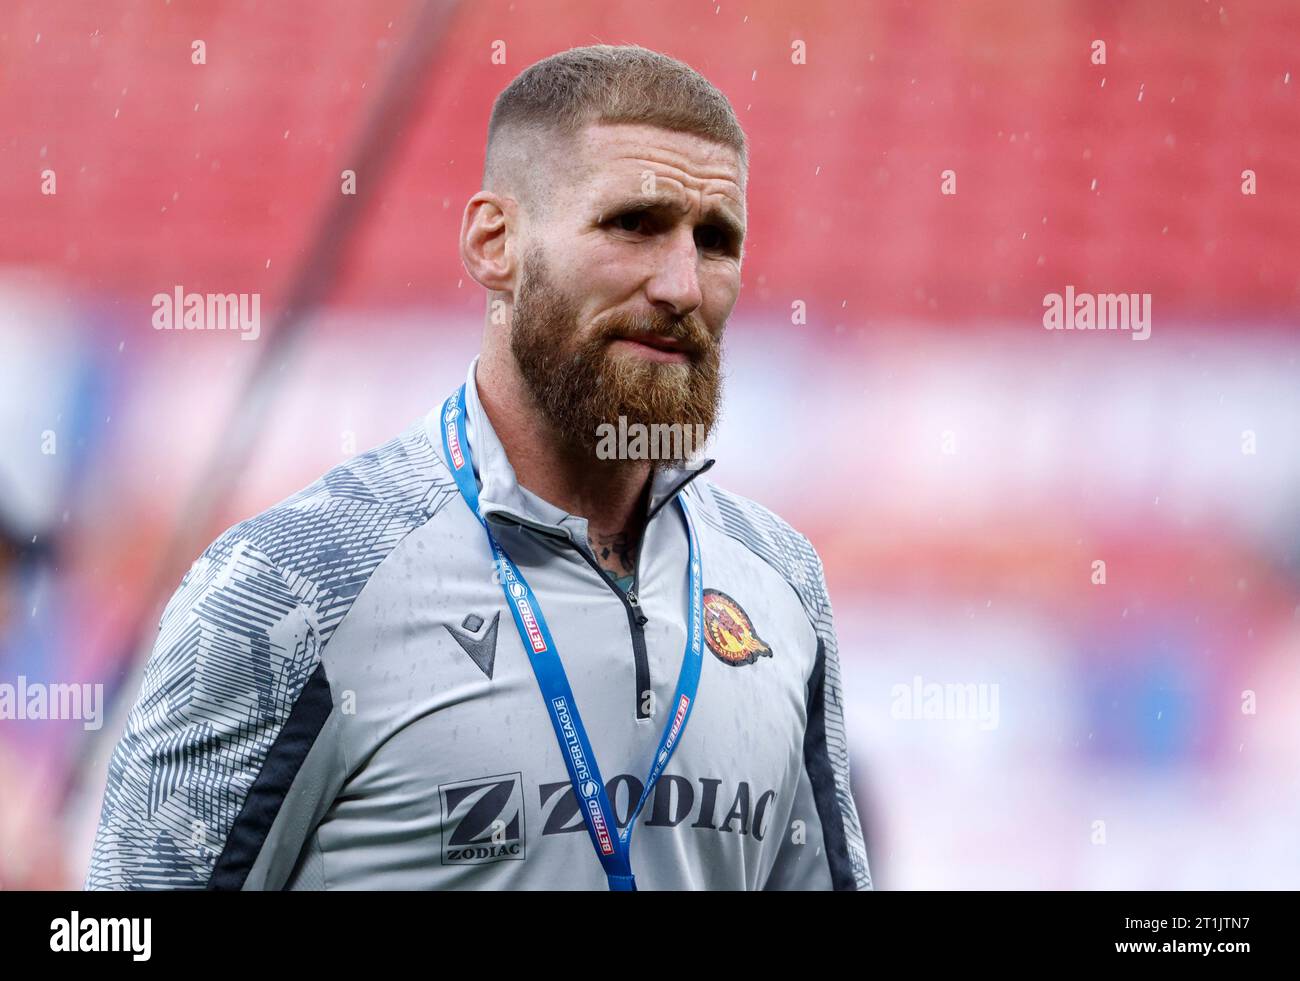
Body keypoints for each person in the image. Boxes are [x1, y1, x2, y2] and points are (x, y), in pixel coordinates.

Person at [85, 44, 871, 891]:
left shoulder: (779, 583)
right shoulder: (294, 584)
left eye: (715, 240)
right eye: (633, 225)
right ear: (494, 242)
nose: (682, 284)